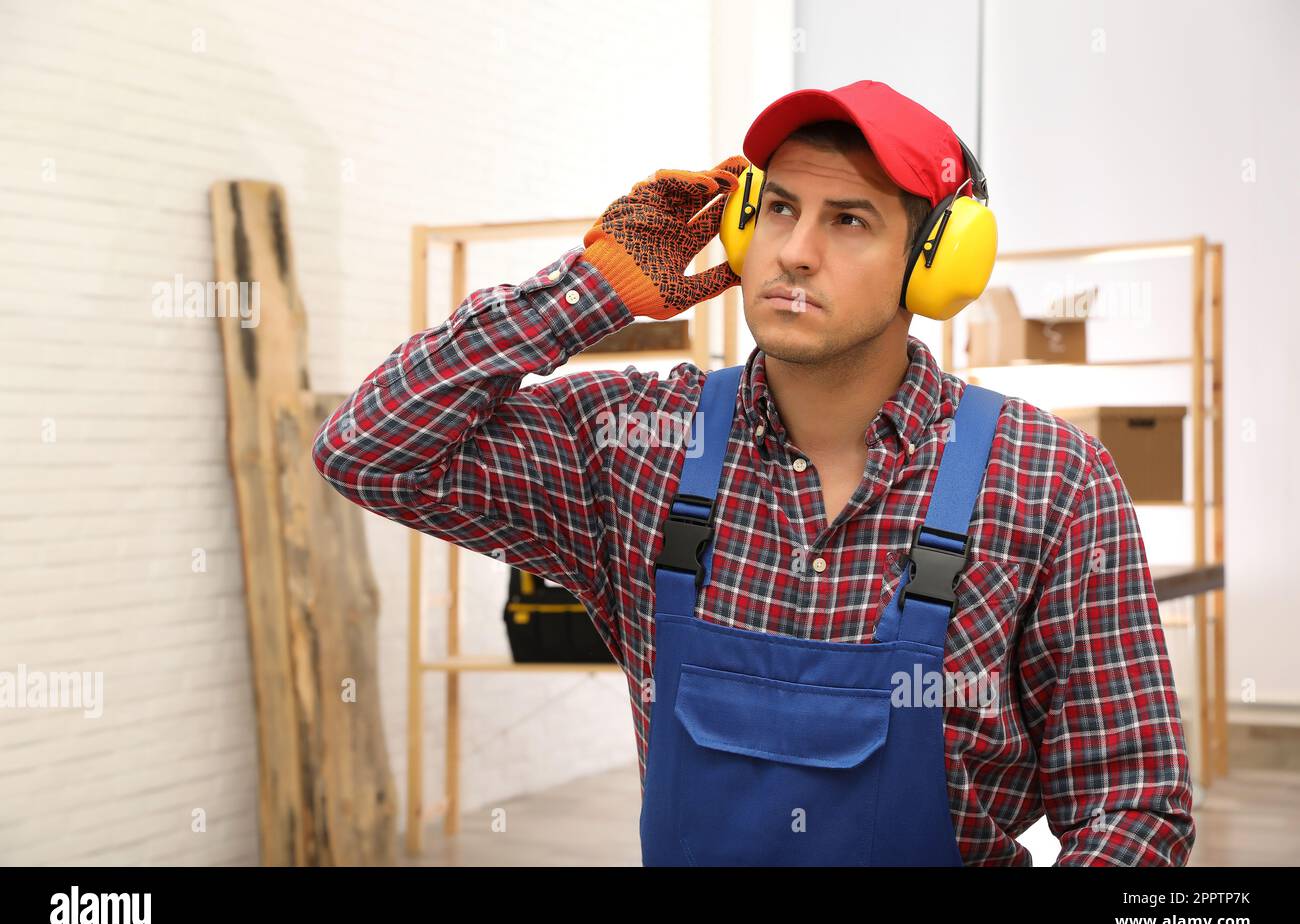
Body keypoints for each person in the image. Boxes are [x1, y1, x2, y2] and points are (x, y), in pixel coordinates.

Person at [313, 79, 1195, 866]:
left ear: (936, 266)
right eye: (776, 209)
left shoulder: (1047, 477)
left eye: (848, 219)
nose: (795, 252)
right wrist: (591, 291)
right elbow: (368, 448)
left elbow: (1134, 807)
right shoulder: (642, 445)